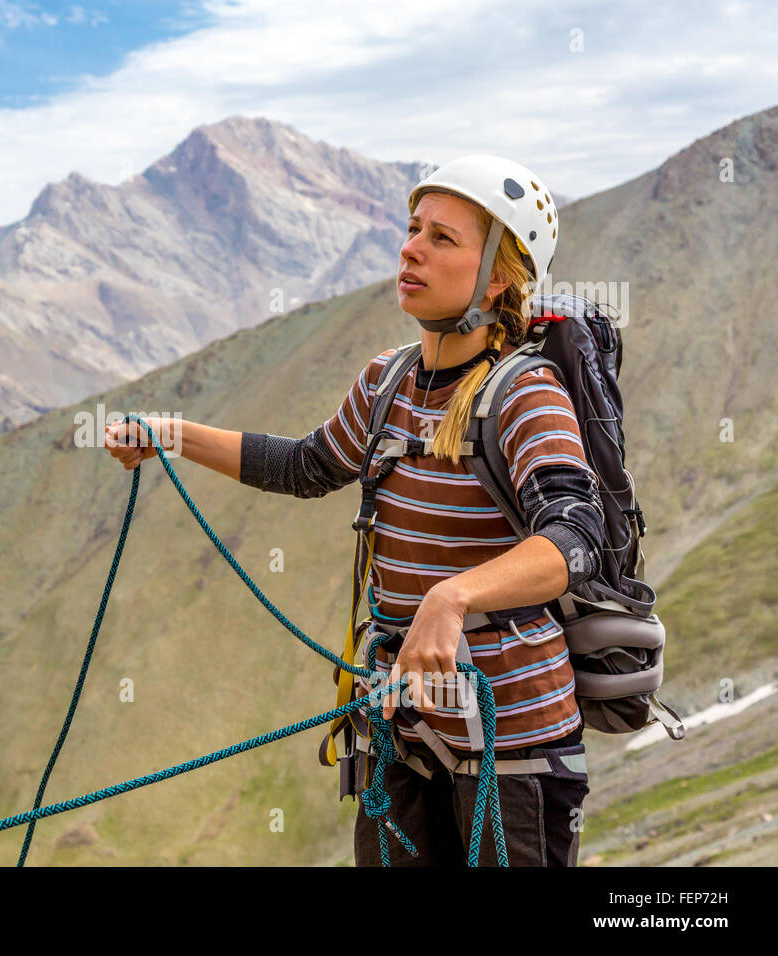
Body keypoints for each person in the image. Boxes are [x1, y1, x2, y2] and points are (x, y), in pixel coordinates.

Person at [102, 155, 604, 867]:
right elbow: (306, 466)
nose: (410, 249)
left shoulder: (526, 395)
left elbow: (576, 538)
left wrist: (452, 598)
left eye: (442, 238)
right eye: (412, 229)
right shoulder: (386, 380)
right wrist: (171, 436)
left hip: (513, 749)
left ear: (498, 277)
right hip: (401, 730)